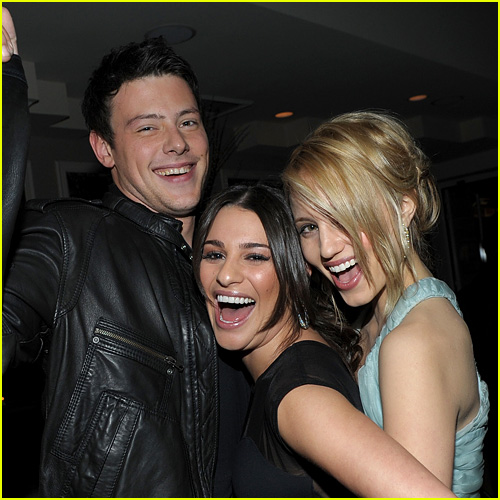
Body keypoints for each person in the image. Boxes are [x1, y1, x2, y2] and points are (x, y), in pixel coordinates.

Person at [2, 8, 249, 497]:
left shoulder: (237, 258)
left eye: (188, 121)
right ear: (104, 149)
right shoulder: (69, 238)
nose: (177, 143)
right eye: (147, 128)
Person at [192, 183, 457, 497]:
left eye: (255, 257)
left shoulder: (300, 396)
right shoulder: (299, 360)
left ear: (300, 268)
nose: (226, 275)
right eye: (214, 254)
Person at [282, 111, 490, 498]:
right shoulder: (381, 316)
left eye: (343, 217)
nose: (326, 247)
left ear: (403, 208)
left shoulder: (413, 343)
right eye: (308, 227)